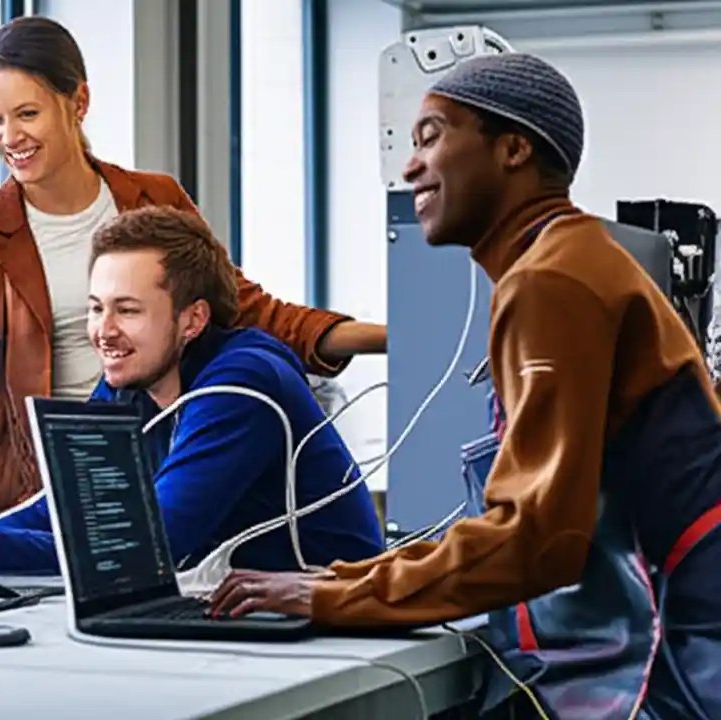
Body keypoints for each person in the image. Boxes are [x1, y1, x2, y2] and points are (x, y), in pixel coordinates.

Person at [210, 54, 721, 718]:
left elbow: (538, 540)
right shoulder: (570, 261)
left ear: (513, 150)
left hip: (664, 677)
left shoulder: (552, 280)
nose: (410, 167)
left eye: (433, 136)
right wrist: (342, 578)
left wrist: (333, 598)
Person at [0, 16, 387, 527]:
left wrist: (390, 340)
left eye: (27, 113)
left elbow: (242, 309)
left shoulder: (152, 201)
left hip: (152, 461)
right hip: (31, 486)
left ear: (79, 102)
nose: (10, 136)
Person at [0, 207, 384, 574]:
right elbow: (67, 505)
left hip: (336, 626)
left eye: (128, 310)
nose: (104, 332)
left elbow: (152, 542)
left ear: (192, 320)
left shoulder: (244, 381)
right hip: (244, 612)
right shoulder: (129, 380)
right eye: (96, 309)